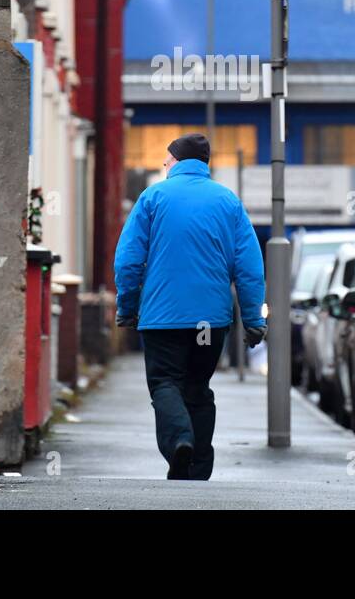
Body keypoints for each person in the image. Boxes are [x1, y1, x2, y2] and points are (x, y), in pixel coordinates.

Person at [113, 133, 267, 480]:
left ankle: (180, 440)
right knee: (198, 387)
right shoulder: (228, 202)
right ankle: (198, 464)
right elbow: (249, 267)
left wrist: (127, 305)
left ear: (176, 162)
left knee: (166, 382)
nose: (164, 166)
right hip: (208, 324)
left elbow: (128, 261)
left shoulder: (153, 197)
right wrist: (253, 318)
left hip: (162, 320)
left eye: (166, 160)